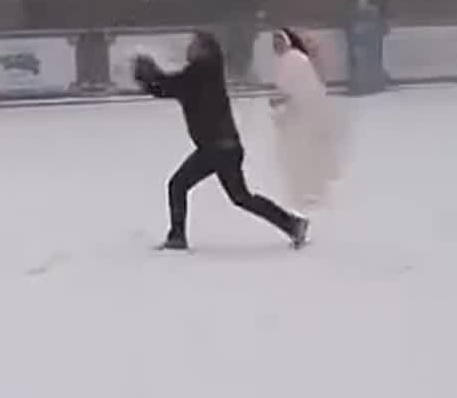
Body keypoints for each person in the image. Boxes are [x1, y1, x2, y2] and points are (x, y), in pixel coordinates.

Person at [133, 31, 309, 251]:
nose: (190, 48)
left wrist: (149, 76)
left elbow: (169, 86)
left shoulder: (200, 73)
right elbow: (170, 87)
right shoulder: (208, 72)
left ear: (205, 50)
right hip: (227, 147)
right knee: (241, 197)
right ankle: (292, 224)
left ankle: (177, 237)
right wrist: (151, 80)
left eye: (195, 45)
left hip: (215, 148)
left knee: (178, 185)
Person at [268, 28, 346, 212]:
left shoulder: (293, 60)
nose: (275, 46)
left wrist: (280, 101)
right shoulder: (291, 60)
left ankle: (309, 192)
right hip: (300, 116)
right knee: (303, 154)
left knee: (303, 153)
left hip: (302, 117)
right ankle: (308, 190)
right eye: (273, 42)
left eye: (279, 41)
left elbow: (299, 90)